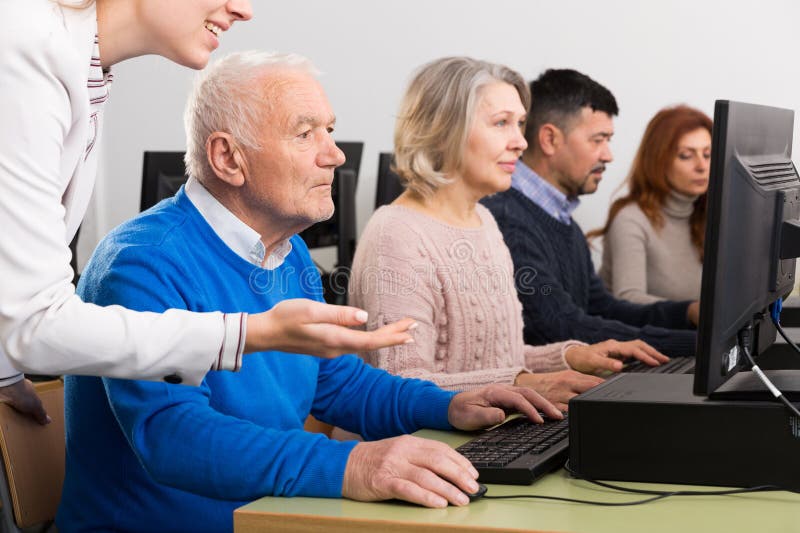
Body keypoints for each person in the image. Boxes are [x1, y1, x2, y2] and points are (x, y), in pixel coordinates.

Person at [56, 51, 562, 533]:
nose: (335, 154)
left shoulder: (288, 252)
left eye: (330, 131)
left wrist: (447, 406)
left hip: (265, 517)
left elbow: (337, 384)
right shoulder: (143, 263)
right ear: (228, 158)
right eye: (305, 134)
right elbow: (173, 436)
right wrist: (354, 465)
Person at [0, 0, 413, 421]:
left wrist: (4, 369)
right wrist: (248, 333)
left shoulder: (80, 70)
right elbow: (35, 321)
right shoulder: (26, 50)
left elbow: (16, 282)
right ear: (228, 158)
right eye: (305, 134)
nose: (243, 9)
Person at [349, 57, 668, 411]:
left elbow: (499, 360)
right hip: (416, 450)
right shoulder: (398, 233)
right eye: (501, 123)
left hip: (486, 431)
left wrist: (572, 355)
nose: (520, 142)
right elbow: (401, 385)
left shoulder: (484, 220)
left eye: (519, 124)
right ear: (443, 130)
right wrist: (523, 382)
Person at [482, 69, 698, 357]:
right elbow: (562, 327)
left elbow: (603, 309)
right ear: (550, 139)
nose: (607, 155)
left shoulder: (562, 220)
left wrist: (688, 313)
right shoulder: (507, 221)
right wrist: (696, 346)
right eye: (598, 140)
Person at [591, 105, 712, 303]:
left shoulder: (709, 215)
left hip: (692, 333)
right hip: (645, 333)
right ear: (659, 160)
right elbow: (628, 297)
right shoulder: (631, 219)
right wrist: (691, 312)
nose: (702, 166)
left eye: (707, 155)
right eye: (686, 156)